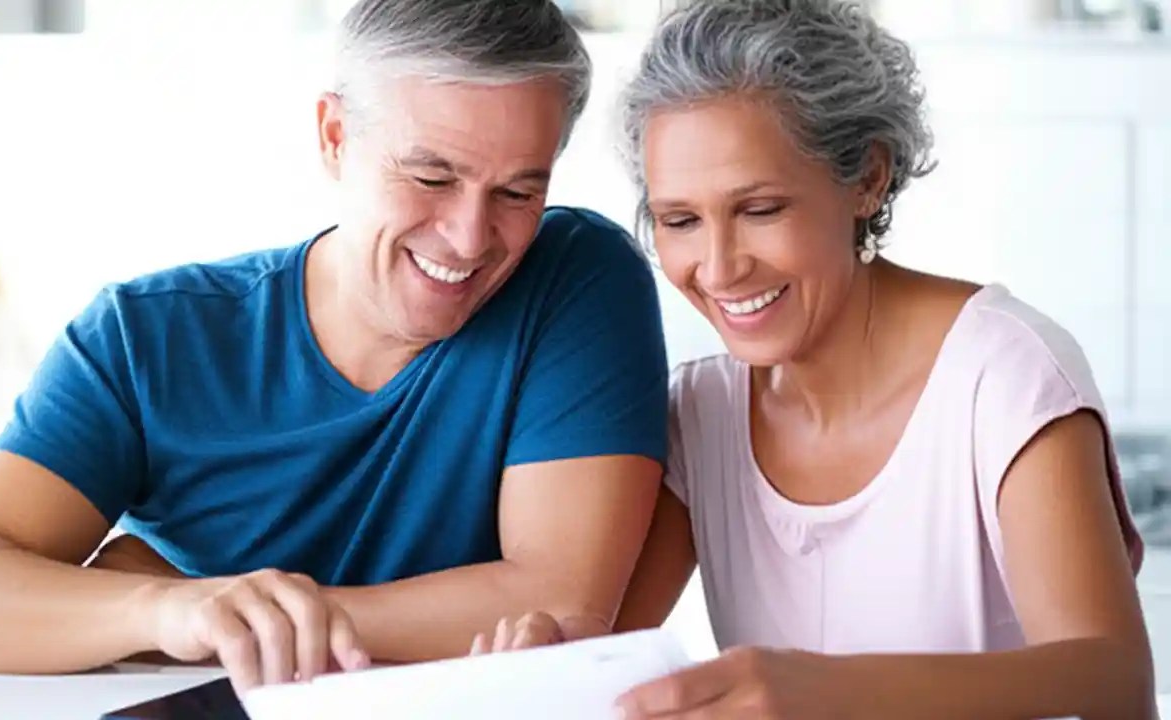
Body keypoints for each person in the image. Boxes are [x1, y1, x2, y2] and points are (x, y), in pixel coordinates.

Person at [0, 0, 669, 695]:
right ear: (335, 138)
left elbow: (561, 602)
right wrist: (170, 611)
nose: (471, 239)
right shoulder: (144, 338)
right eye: (431, 177)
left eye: (516, 193)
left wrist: (222, 622)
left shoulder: (572, 281)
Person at [478, 1, 1156, 717]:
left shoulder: (1003, 375)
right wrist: (547, 662)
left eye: (761, 209)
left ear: (867, 177)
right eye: (680, 221)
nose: (719, 266)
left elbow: (1115, 685)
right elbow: (608, 659)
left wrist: (830, 689)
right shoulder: (702, 416)